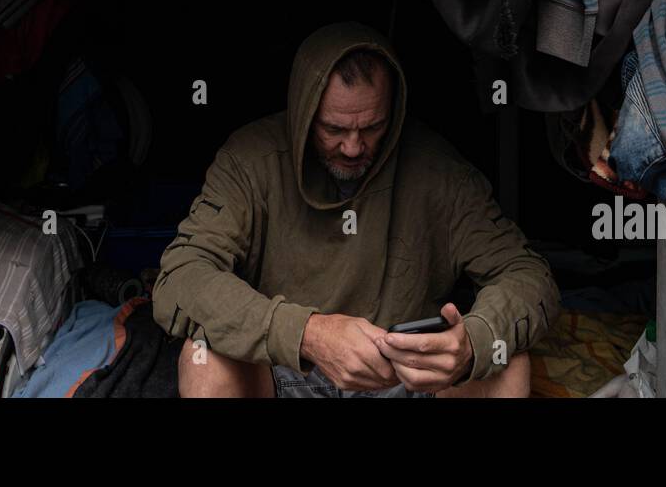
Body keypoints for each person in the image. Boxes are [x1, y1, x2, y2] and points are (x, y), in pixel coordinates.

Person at [152, 21, 560, 397]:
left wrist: (473, 341)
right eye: (333, 129)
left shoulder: (441, 172)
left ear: (395, 111)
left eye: (372, 127)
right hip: (283, 373)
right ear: (303, 114)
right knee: (202, 358)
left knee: (506, 363)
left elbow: (527, 274)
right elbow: (182, 276)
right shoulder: (250, 160)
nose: (352, 148)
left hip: (405, 379)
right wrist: (307, 334)